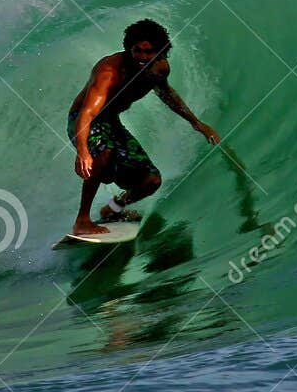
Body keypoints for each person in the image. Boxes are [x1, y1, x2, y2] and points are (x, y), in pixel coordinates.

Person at [66, 18, 219, 237]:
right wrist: (83, 150)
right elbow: (87, 113)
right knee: (105, 153)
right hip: (83, 120)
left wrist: (197, 123)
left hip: (111, 122)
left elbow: (166, 94)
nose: (142, 57)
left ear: (160, 52)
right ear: (129, 48)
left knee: (151, 180)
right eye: (137, 50)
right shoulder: (110, 72)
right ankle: (82, 221)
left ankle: (113, 208)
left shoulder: (159, 69)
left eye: (149, 52)